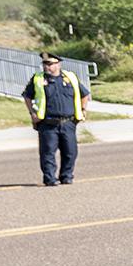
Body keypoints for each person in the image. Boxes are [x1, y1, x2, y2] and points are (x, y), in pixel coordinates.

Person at [23, 52, 85, 186]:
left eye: (50, 64)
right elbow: (27, 96)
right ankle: (50, 178)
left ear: (58, 64)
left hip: (68, 122)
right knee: (48, 153)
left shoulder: (70, 77)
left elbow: (84, 94)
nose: (47, 67)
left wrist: (83, 110)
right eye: (45, 64)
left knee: (70, 151)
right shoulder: (38, 79)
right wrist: (32, 112)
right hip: (48, 123)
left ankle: (66, 176)